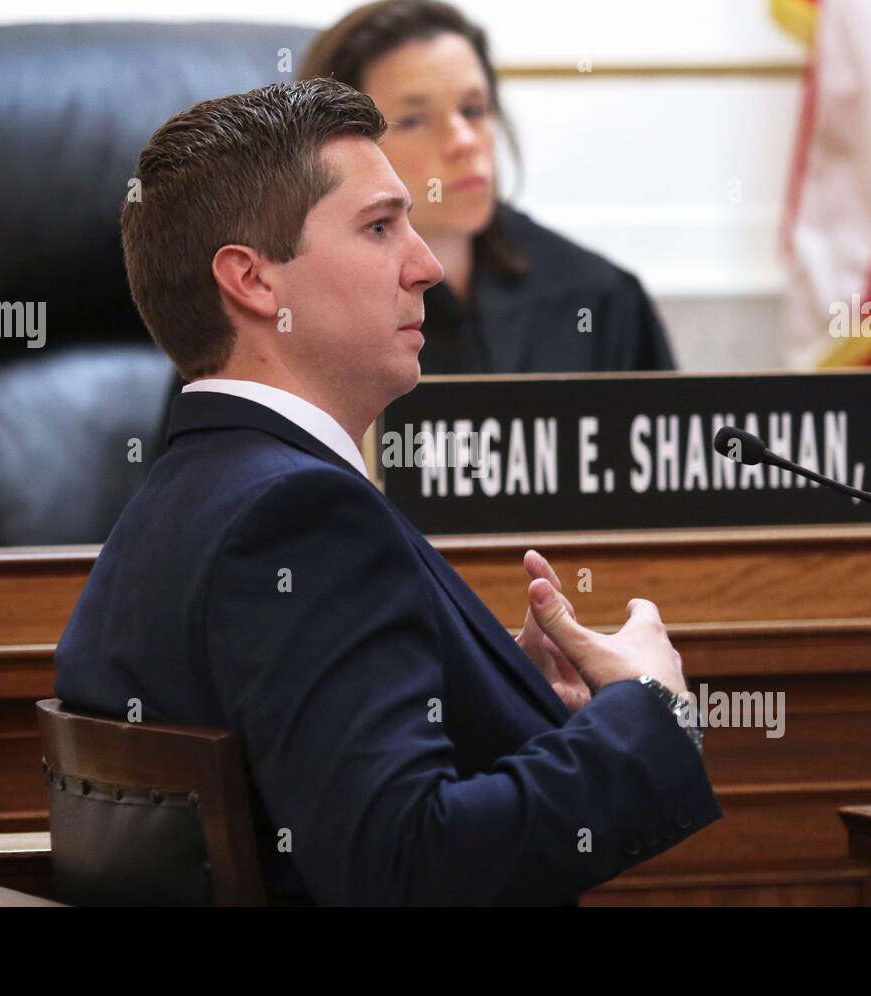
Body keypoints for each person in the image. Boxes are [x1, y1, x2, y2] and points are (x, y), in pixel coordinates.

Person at [54, 78, 719, 906]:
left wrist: (492, 698)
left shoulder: (182, 497)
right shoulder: (299, 518)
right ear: (253, 281)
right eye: (379, 227)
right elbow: (403, 867)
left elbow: (308, 794)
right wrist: (647, 711)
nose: (428, 265)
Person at [298, 0, 677, 374]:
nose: (463, 139)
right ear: (339, 145)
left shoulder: (598, 298)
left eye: (473, 110)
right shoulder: (306, 315)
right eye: (414, 120)